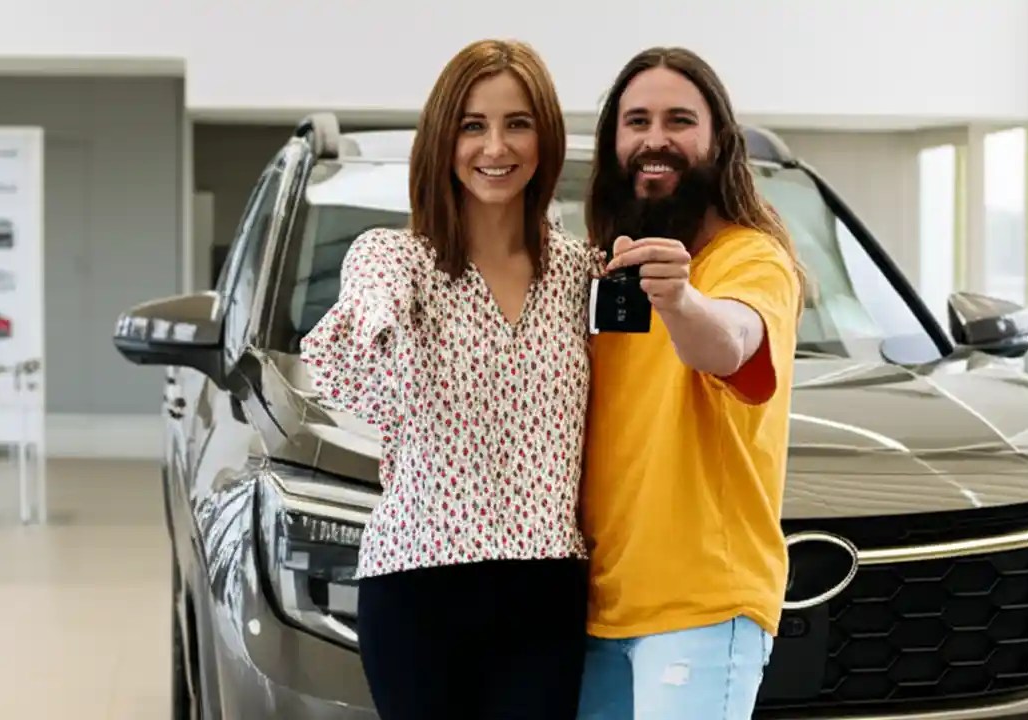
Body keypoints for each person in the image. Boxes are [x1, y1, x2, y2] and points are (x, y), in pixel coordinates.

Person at [299, 39, 592, 719]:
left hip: (548, 590)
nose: (496, 146)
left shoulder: (583, 274)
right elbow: (361, 320)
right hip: (418, 588)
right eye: (472, 124)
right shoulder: (396, 259)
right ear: (442, 140)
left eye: (517, 122)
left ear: (545, 136)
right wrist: (378, 318)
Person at [576, 46, 805, 720]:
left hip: (702, 605)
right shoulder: (608, 271)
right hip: (599, 611)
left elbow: (731, 341)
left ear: (719, 142)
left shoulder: (752, 259)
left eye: (680, 120)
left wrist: (680, 301)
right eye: (636, 120)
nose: (656, 139)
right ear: (614, 142)